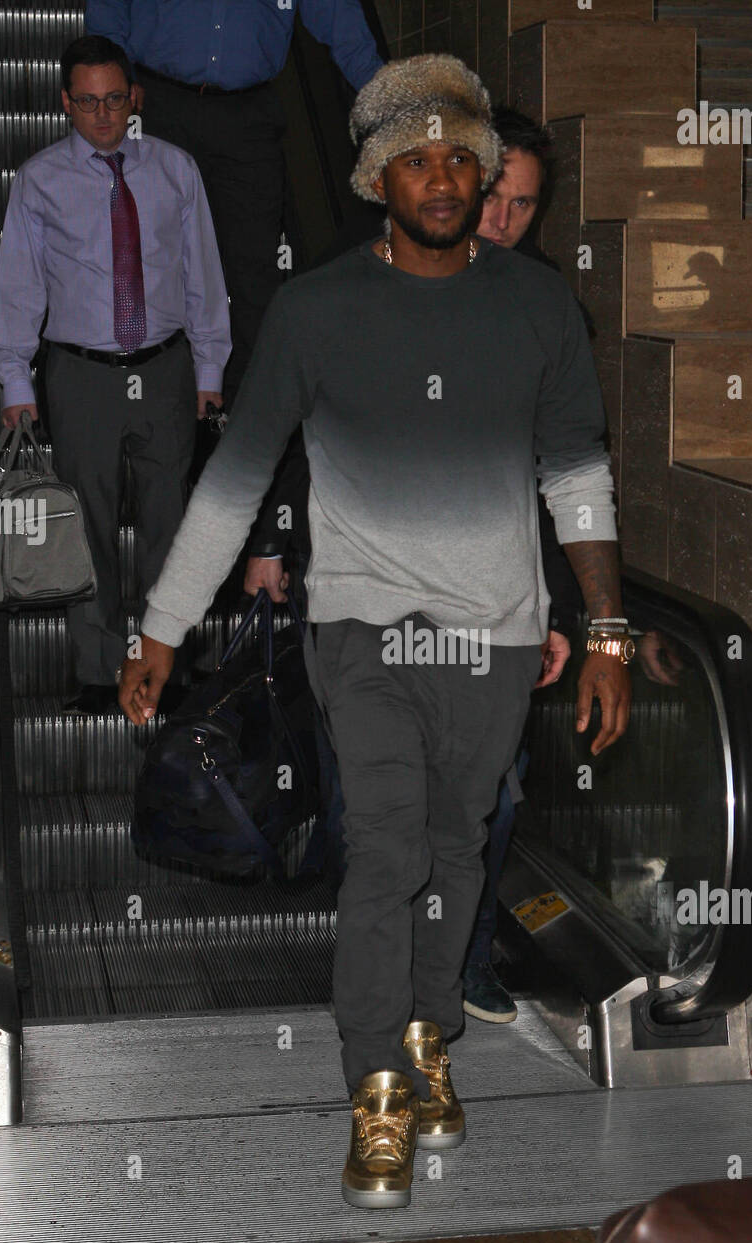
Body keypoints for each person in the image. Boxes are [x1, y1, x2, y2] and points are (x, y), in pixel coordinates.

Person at [118, 55, 632, 1210]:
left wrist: (605, 631)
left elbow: (580, 475)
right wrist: (160, 628)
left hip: (496, 635)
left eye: (462, 157)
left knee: (458, 852)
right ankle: (376, 1091)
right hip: (363, 628)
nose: (443, 178)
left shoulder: (537, 303)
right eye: (417, 159)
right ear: (376, 179)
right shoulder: (315, 309)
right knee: (390, 845)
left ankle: (427, 1029)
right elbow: (235, 480)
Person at [244, 106, 585, 1017]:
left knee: (483, 805)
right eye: (496, 196)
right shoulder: (354, 291)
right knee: (382, 811)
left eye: (524, 204)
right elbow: (289, 430)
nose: (504, 219)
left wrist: (567, 613)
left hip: (491, 610)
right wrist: (274, 538)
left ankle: (453, 969)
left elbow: (558, 480)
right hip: (365, 595)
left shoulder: (538, 299)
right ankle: (386, 982)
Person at [0, 35, 230, 714]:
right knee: (86, 525)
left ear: (135, 98)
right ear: (66, 102)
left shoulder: (176, 171)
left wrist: (209, 368)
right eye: (87, 102)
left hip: (164, 368)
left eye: (114, 100)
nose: (102, 115)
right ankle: (99, 672)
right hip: (80, 373)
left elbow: (204, 277)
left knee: (171, 522)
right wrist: (16, 383)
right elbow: (17, 289)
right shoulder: (39, 179)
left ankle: (168, 661)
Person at [85, 0, 383, 405]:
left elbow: (341, 21)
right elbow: (109, 10)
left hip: (249, 115)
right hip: (158, 107)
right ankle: (153, 404)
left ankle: (245, 413)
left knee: (255, 272)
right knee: (153, 262)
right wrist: (115, 77)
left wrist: (389, 105)